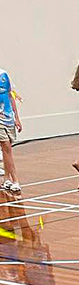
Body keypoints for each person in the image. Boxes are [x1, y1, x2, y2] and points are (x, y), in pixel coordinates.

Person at [0, 67, 22, 195]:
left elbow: (10, 95)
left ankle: (7, 178)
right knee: (6, 147)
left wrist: (16, 118)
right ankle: (15, 180)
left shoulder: (4, 75)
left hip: (8, 118)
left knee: (7, 149)